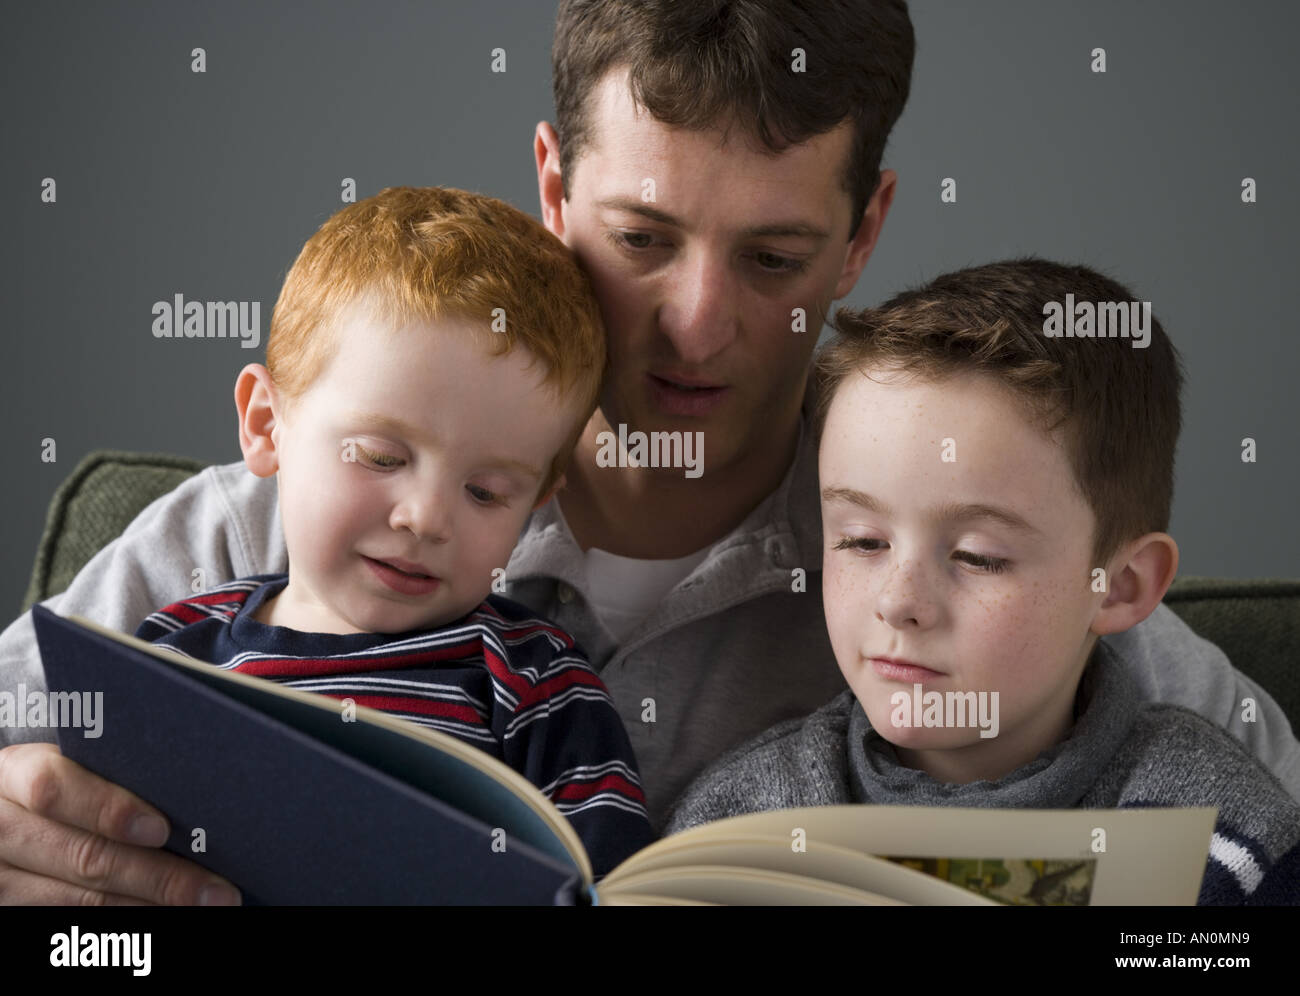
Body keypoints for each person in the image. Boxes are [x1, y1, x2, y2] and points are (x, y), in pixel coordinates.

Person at [0, 0, 1295, 905]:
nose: (697, 325)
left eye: (775, 259)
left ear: (865, 231)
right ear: (553, 188)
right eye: (642, 239)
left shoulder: (927, 533)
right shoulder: (260, 527)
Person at [664, 259, 1300, 904]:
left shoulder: (1221, 837)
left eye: (977, 557)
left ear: (1121, 585)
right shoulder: (743, 825)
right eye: (862, 541)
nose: (899, 602)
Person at [129, 185, 655, 878]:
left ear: (537, 500)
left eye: (486, 492)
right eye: (382, 457)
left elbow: (613, 884)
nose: (427, 518)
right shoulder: (171, 654)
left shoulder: (536, 682)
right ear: (265, 424)